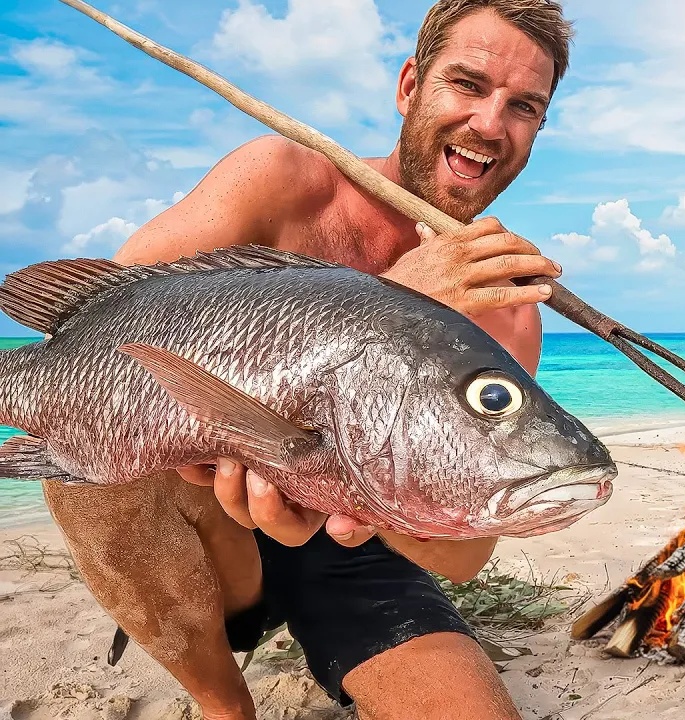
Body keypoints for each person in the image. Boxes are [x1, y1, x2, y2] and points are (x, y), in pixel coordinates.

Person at [41, 1, 573, 718]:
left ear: (538, 129)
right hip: (219, 516)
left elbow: (468, 555)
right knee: (82, 451)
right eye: (467, 84)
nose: (489, 123)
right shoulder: (282, 181)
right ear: (411, 85)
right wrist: (388, 306)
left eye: (524, 106)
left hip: (359, 544)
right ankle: (225, 704)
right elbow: (99, 334)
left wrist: (360, 499)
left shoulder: (507, 304)